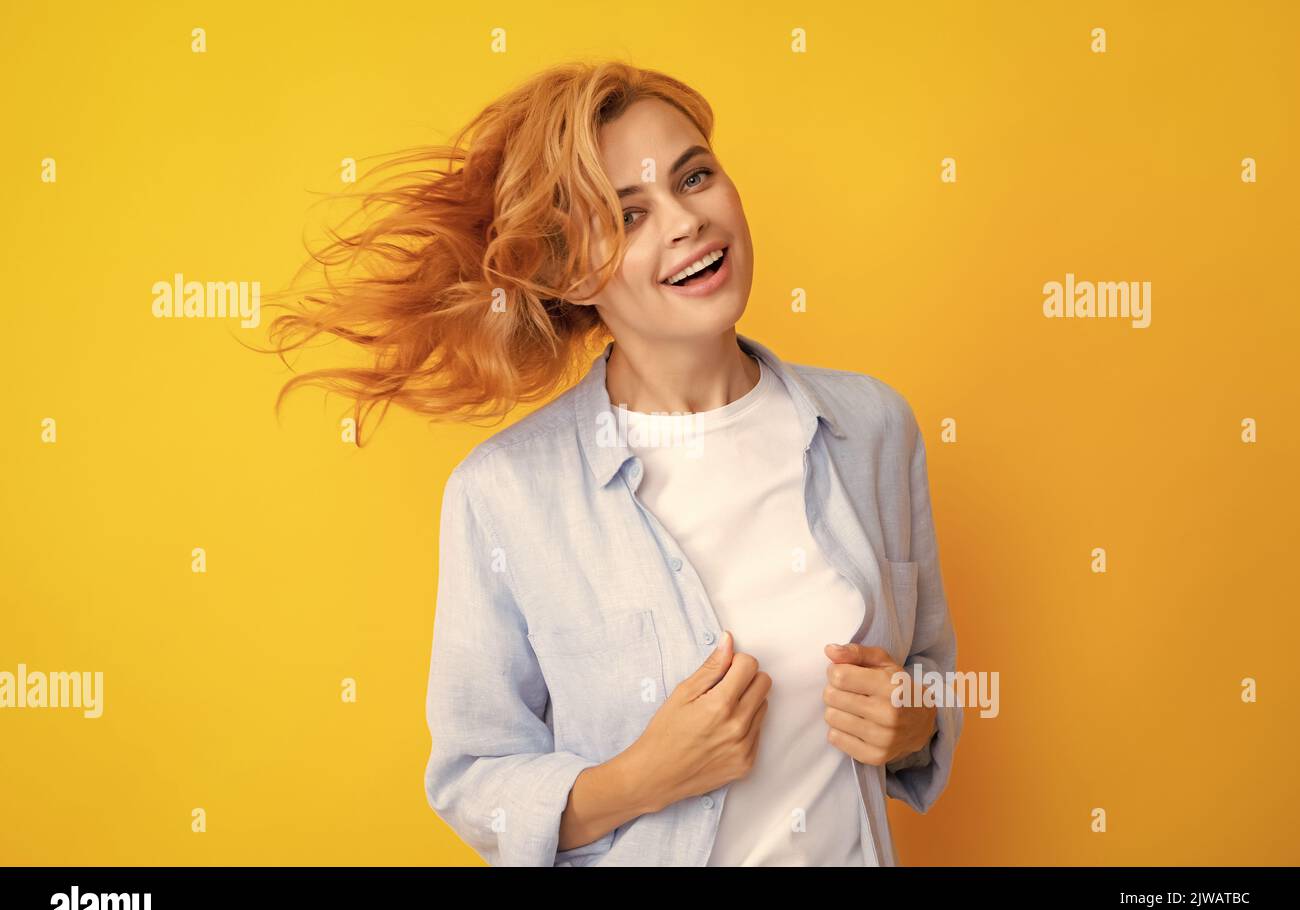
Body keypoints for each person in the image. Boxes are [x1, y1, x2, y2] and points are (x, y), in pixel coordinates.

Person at [262, 59, 962, 866]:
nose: (683, 222)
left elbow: (929, 682)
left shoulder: (872, 427)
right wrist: (637, 779)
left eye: (693, 176)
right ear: (570, 271)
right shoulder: (506, 495)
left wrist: (915, 723)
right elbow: (472, 780)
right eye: (627, 216)